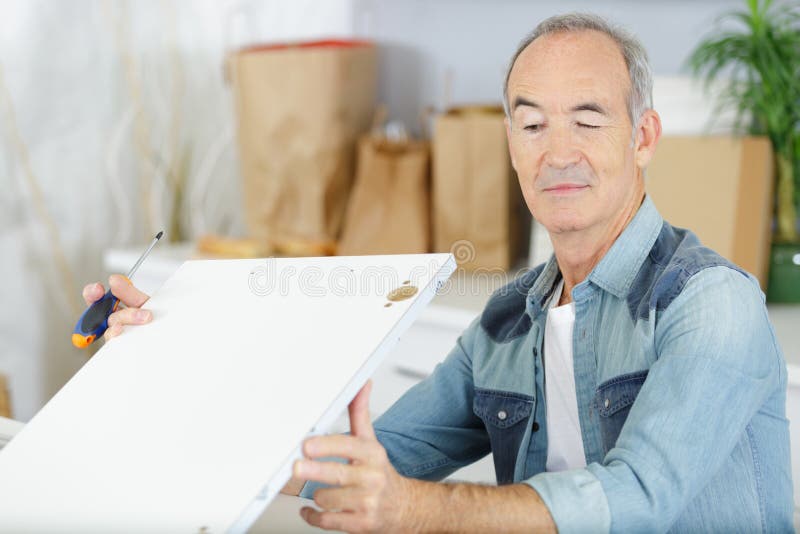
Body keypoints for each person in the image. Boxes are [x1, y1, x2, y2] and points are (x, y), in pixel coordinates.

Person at [85, 13, 794, 533]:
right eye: (532, 123)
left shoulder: (711, 304)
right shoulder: (507, 322)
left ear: (642, 137)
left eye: (588, 118)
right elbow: (354, 468)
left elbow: (640, 499)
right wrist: (168, 362)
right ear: (510, 142)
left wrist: (415, 509)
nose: (558, 152)